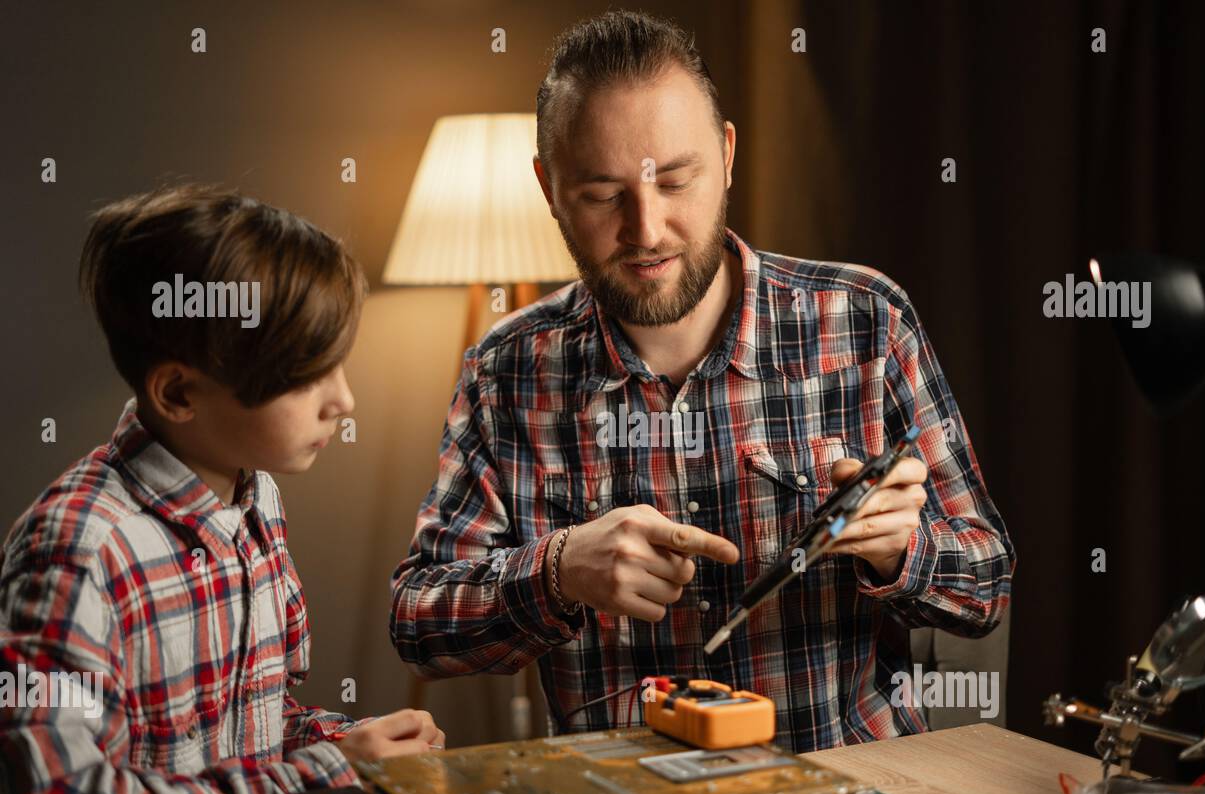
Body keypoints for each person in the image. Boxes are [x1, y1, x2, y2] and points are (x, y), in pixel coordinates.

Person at [391, 11, 1014, 754]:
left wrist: (899, 550)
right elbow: (418, 624)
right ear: (549, 188)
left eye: (675, 180)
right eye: (601, 194)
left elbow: (987, 587)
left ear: (724, 156)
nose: (646, 229)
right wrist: (557, 573)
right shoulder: (507, 371)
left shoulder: (865, 319)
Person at [0, 183, 443, 794]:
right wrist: (321, 775)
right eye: (306, 373)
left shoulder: (255, 497)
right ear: (179, 392)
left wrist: (351, 746)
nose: (344, 400)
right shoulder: (78, 551)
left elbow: (243, 732)